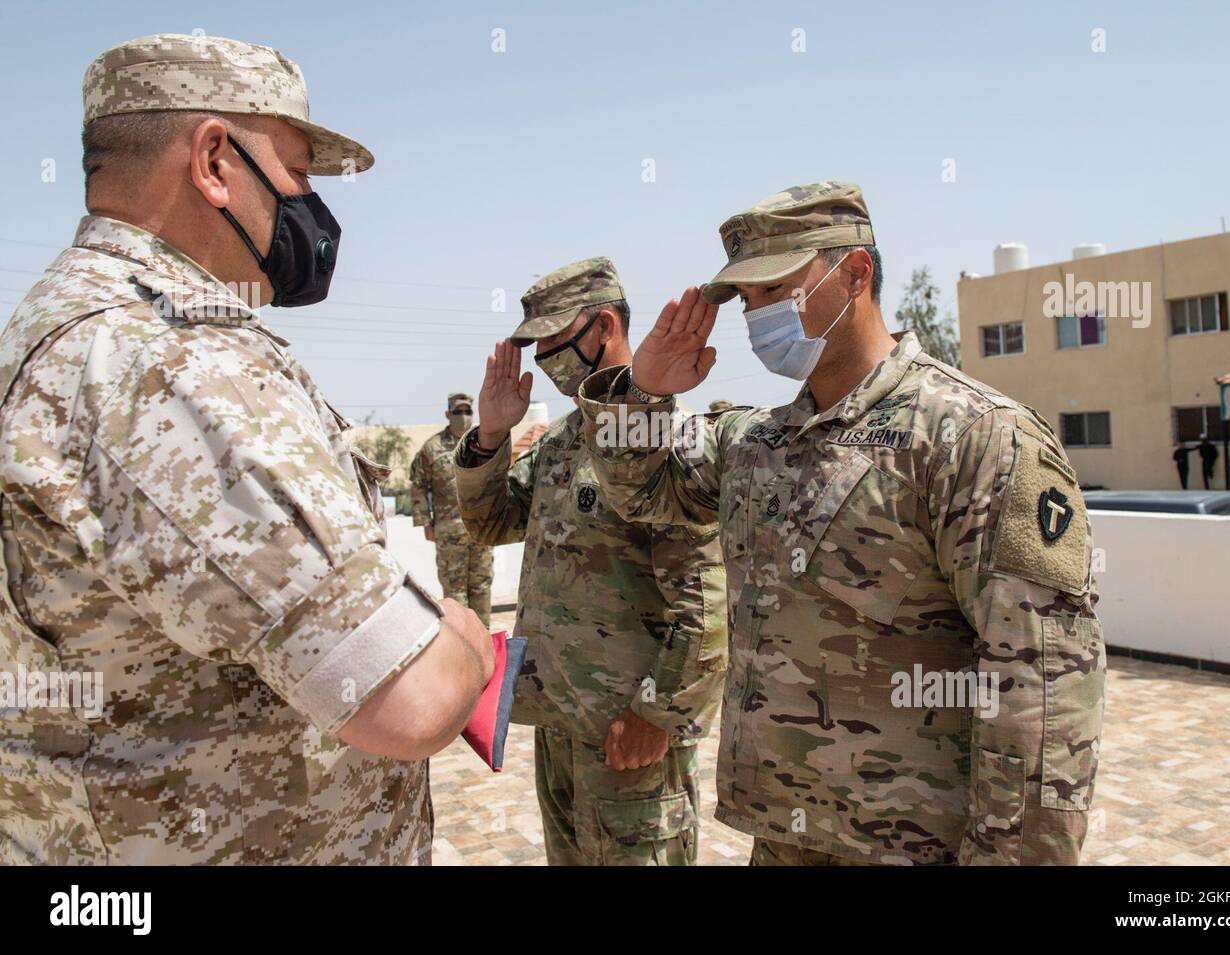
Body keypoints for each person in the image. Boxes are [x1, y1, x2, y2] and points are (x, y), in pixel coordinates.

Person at [0, 34, 495, 865]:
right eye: (298, 171)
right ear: (215, 162)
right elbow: (405, 697)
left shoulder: (63, 326)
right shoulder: (166, 360)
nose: (310, 203)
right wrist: (467, 638)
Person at [576, 182, 1106, 865]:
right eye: (748, 299)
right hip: (784, 840)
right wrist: (642, 393)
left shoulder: (972, 437)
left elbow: (1045, 684)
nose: (757, 313)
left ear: (855, 273)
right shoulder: (757, 442)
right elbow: (639, 488)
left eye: (775, 288)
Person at [455, 257, 727, 864]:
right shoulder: (561, 442)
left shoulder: (661, 439)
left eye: (555, 338)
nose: (545, 354)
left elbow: (704, 598)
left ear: (604, 326)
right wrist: (492, 437)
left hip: (628, 733)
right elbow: (488, 522)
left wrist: (658, 713)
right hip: (560, 718)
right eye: (538, 343)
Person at [409, 393, 494, 626]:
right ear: (448, 414)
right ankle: (461, 643)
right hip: (449, 532)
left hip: (481, 530)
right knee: (454, 591)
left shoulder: (483, 443)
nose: (463, 417)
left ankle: (483, 639)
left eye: (467, 412)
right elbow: (418, 485)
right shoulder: (432, 448)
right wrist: (425, 522)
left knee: (482, 586)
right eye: (458, 412)